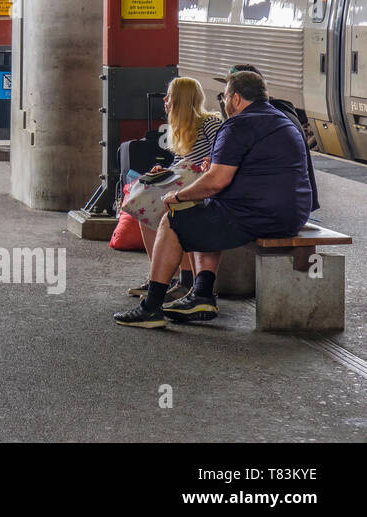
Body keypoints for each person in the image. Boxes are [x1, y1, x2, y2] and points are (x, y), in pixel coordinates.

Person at [114, 71, 313, 328]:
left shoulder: (237, 125)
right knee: (204, 213)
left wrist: (176, 196)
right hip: (293, 214)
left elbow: (216, 181)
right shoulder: (283, 121)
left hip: (258, 214)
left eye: (226, 96)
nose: (225, 102)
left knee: (174, 219)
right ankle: (202, 295)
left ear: (237, 99)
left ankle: (151, 307)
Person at [125, 77, 223, 301]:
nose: (166, 101)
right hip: (186, 181)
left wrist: (209, 160)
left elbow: (221, 153)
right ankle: (162, 276)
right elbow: (179, 163)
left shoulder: (210, 123)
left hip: (201, 185)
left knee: (174, 213)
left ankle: (181, 280)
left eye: (170, 96)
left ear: (182, 99)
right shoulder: (180, 128)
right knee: (142, 210)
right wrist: (164, 170)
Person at [225, 63, 318, 212]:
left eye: (227, 95)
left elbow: (222, 178)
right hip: (297, 204)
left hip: (277, 209)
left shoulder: (260, 121)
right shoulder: (280, 113)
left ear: (238, 97)